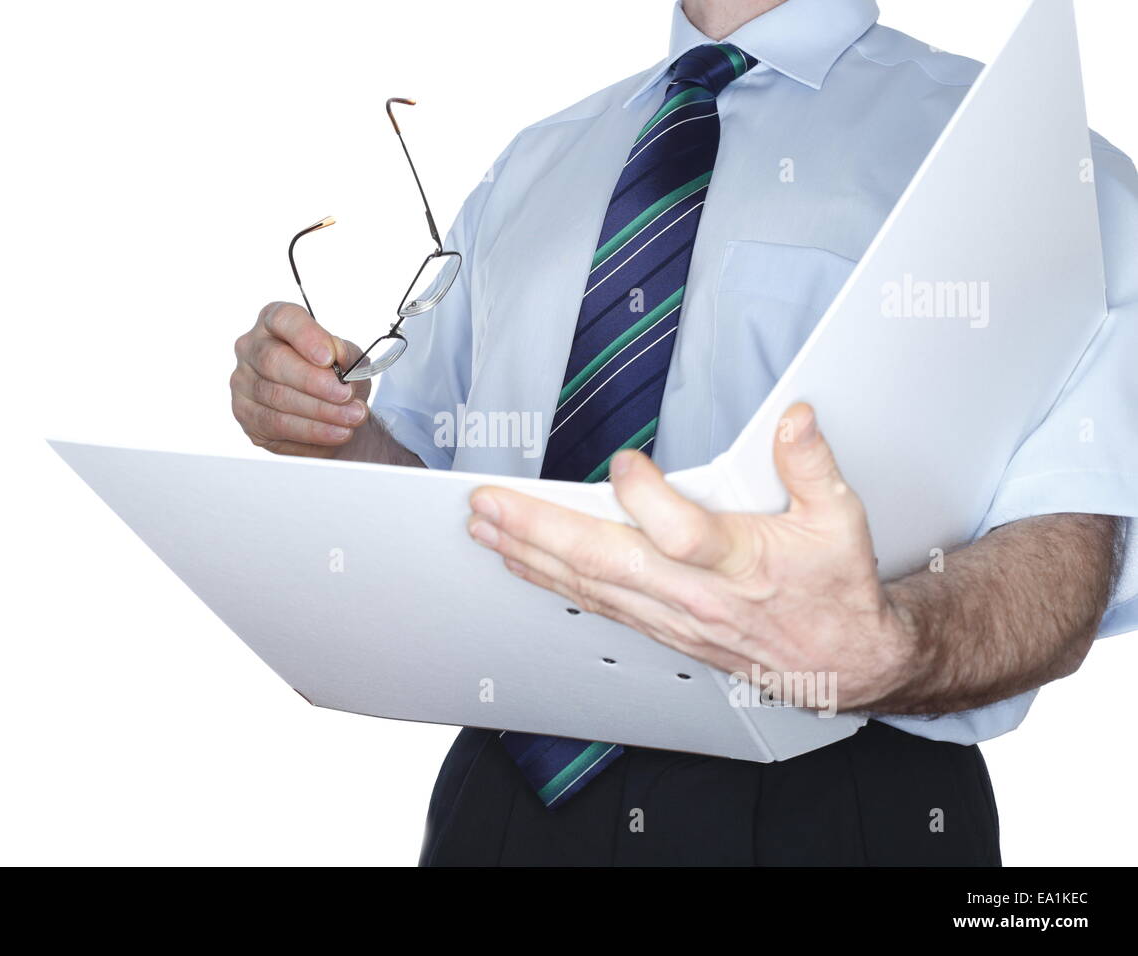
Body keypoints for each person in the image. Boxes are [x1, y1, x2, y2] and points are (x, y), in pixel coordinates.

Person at [229, 0, 1138, 865]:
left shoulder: (1035, 163)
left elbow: (1066, 543)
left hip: (837, 800)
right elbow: (437, 488)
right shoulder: (536, 162)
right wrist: (336, 432)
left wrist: (886, 643)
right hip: (505, 794)